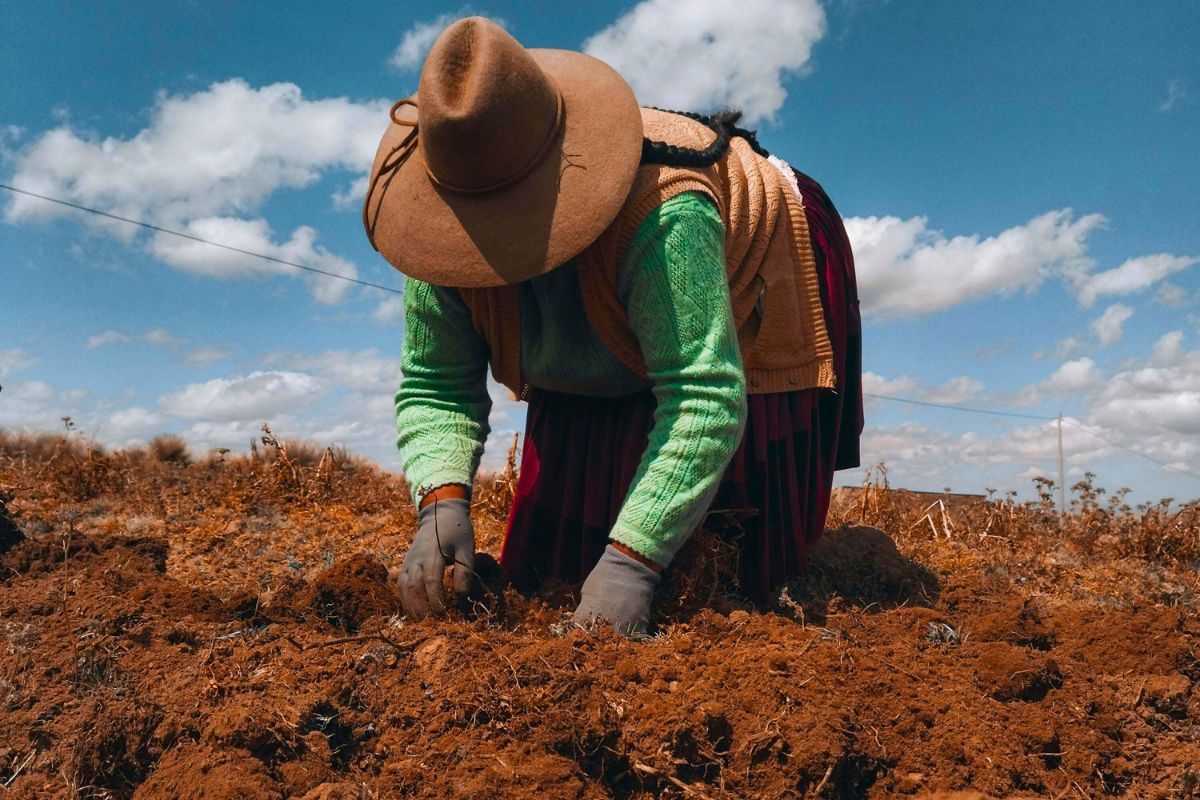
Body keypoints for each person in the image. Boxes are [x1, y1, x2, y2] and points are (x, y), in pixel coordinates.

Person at [363, 17, 862, 637]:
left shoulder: (665, 212)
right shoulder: (439, 232)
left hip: (745, 273)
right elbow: (436, 381)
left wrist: (632, 566)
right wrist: (439, 505)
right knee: (550, 571)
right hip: (608, 324)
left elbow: (702, 395)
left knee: (733, 587)